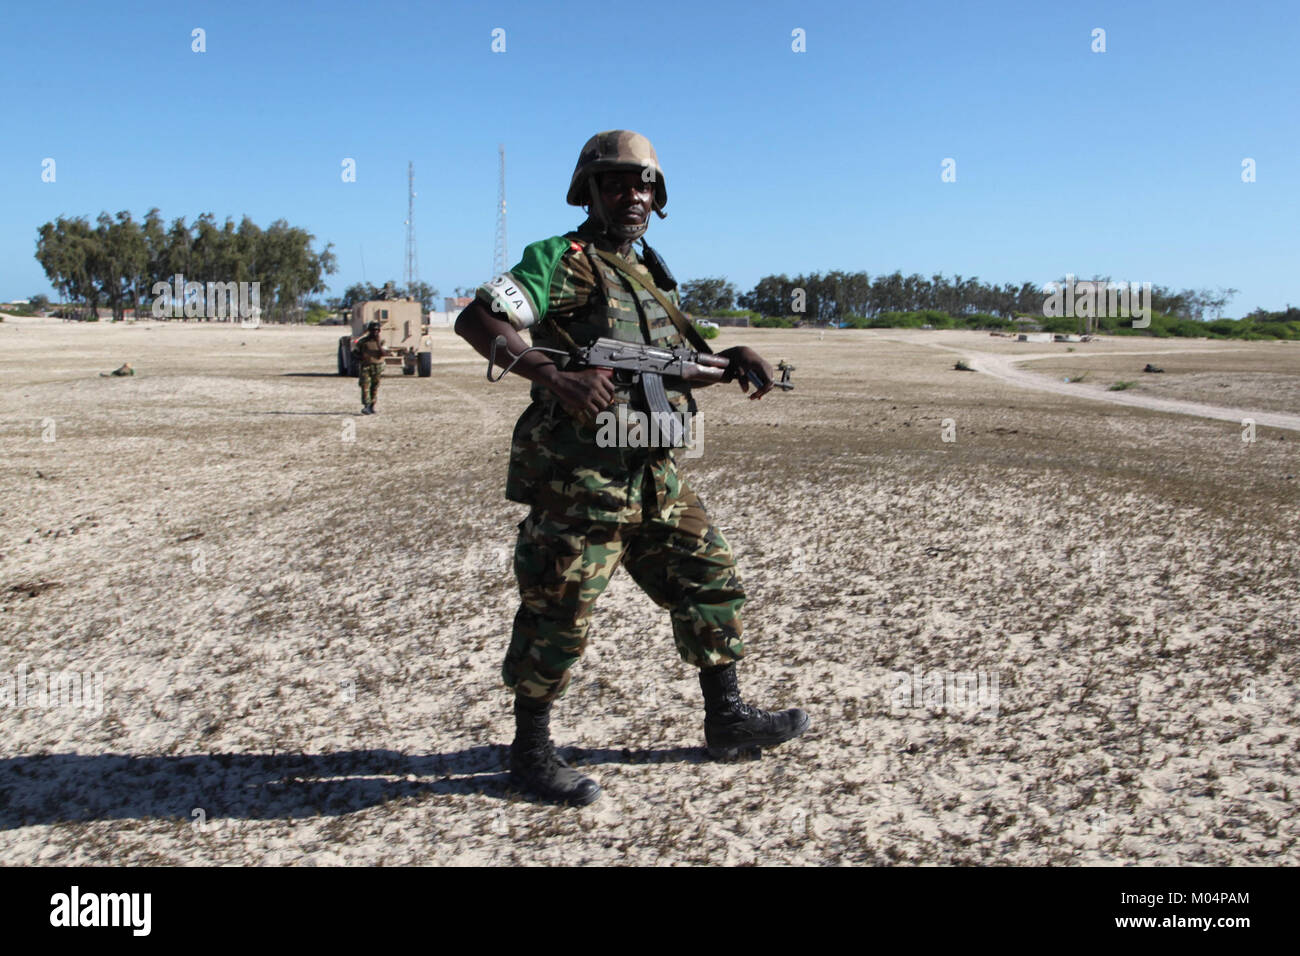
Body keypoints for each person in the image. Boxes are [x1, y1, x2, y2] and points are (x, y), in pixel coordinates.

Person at [454, 130, 808, 806]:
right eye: (618, 182)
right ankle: (528, 755)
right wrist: (551, 374)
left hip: (653, 475)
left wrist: (731, 358)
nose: (634, 195)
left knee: (711, 576)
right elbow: (478, 321)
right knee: (556, 614)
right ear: (588, 190)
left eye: (645, 184)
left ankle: (727, 720)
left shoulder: (651, 274)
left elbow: (671, 366)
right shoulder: (560, 261)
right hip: (580, 482)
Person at [352, 320, 385, 414]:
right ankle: (366, 405)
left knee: (374, 387)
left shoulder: (382, 342)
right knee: (365, 386)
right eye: (373, 330)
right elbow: (355, 353)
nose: (374, 332)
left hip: (377, 366)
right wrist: (360, 357)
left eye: (376, 330)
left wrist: (378, 343)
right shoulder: (363, 342)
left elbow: (384, 353)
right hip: (365, 366)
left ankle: (372, 405)